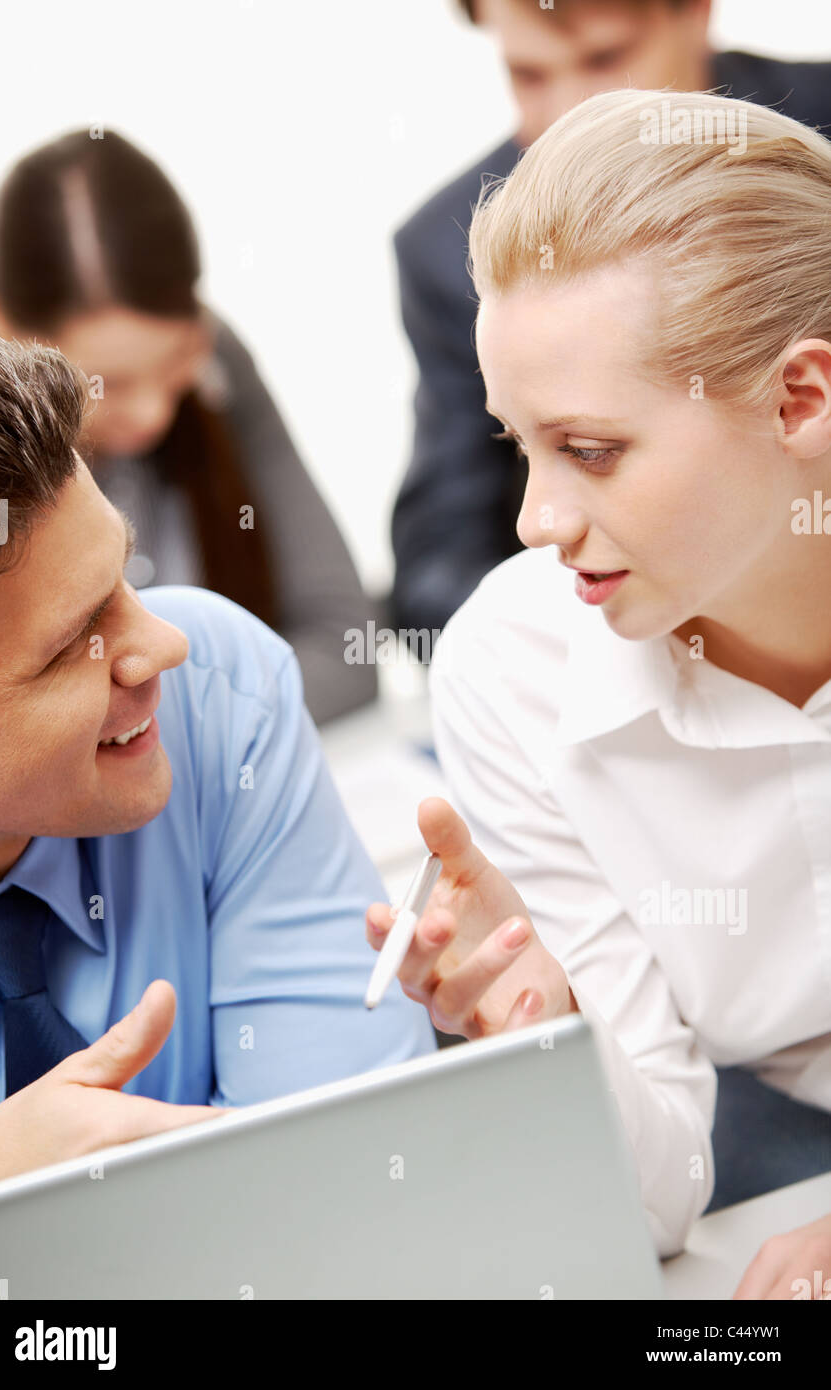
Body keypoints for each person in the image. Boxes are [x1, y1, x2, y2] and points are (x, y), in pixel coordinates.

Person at [368, 88, 831, 1298]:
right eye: (514, 445)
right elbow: (660, 1193)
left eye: (589, 449)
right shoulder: (514, 668)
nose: (533, 520)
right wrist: (543, 1032)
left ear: (800, 398)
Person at [0, 328, 434, 1190]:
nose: (162, 645)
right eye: (76, 643)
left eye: (124, 576)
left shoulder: (220, 696)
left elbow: (352, 1181)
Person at [390, 0, 831, 637]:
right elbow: (437, 565)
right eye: (528, 74)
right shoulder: (442, 250)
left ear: (697, 13)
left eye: (606, 58)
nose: (570, 114)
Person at [0, 128, 377, 727]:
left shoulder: (217, 365)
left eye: (173, 367)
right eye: (108, 383)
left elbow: (347, 646)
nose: (153, 414)